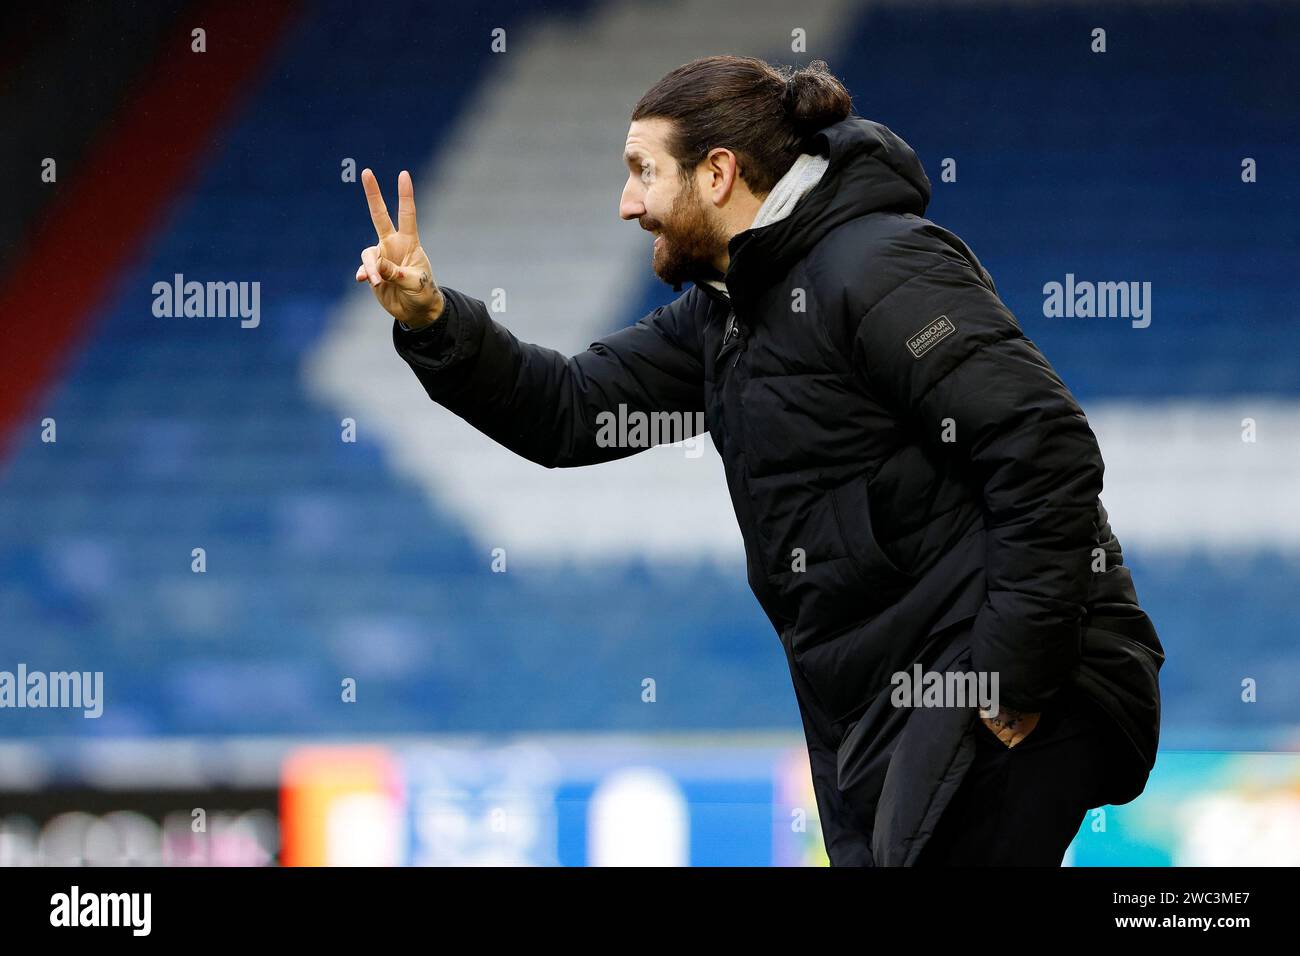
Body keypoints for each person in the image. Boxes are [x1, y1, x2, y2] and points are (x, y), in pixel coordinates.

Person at [352, 55, 1164, 866]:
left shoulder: (876, 265)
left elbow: (1042, 446)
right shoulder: (723, 317)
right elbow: (569, 413)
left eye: (643, 172)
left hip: (1005, 680)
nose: (627, 203)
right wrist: (433, 322)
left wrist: (1013, 674)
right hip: (891, 707)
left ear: (717, 173)